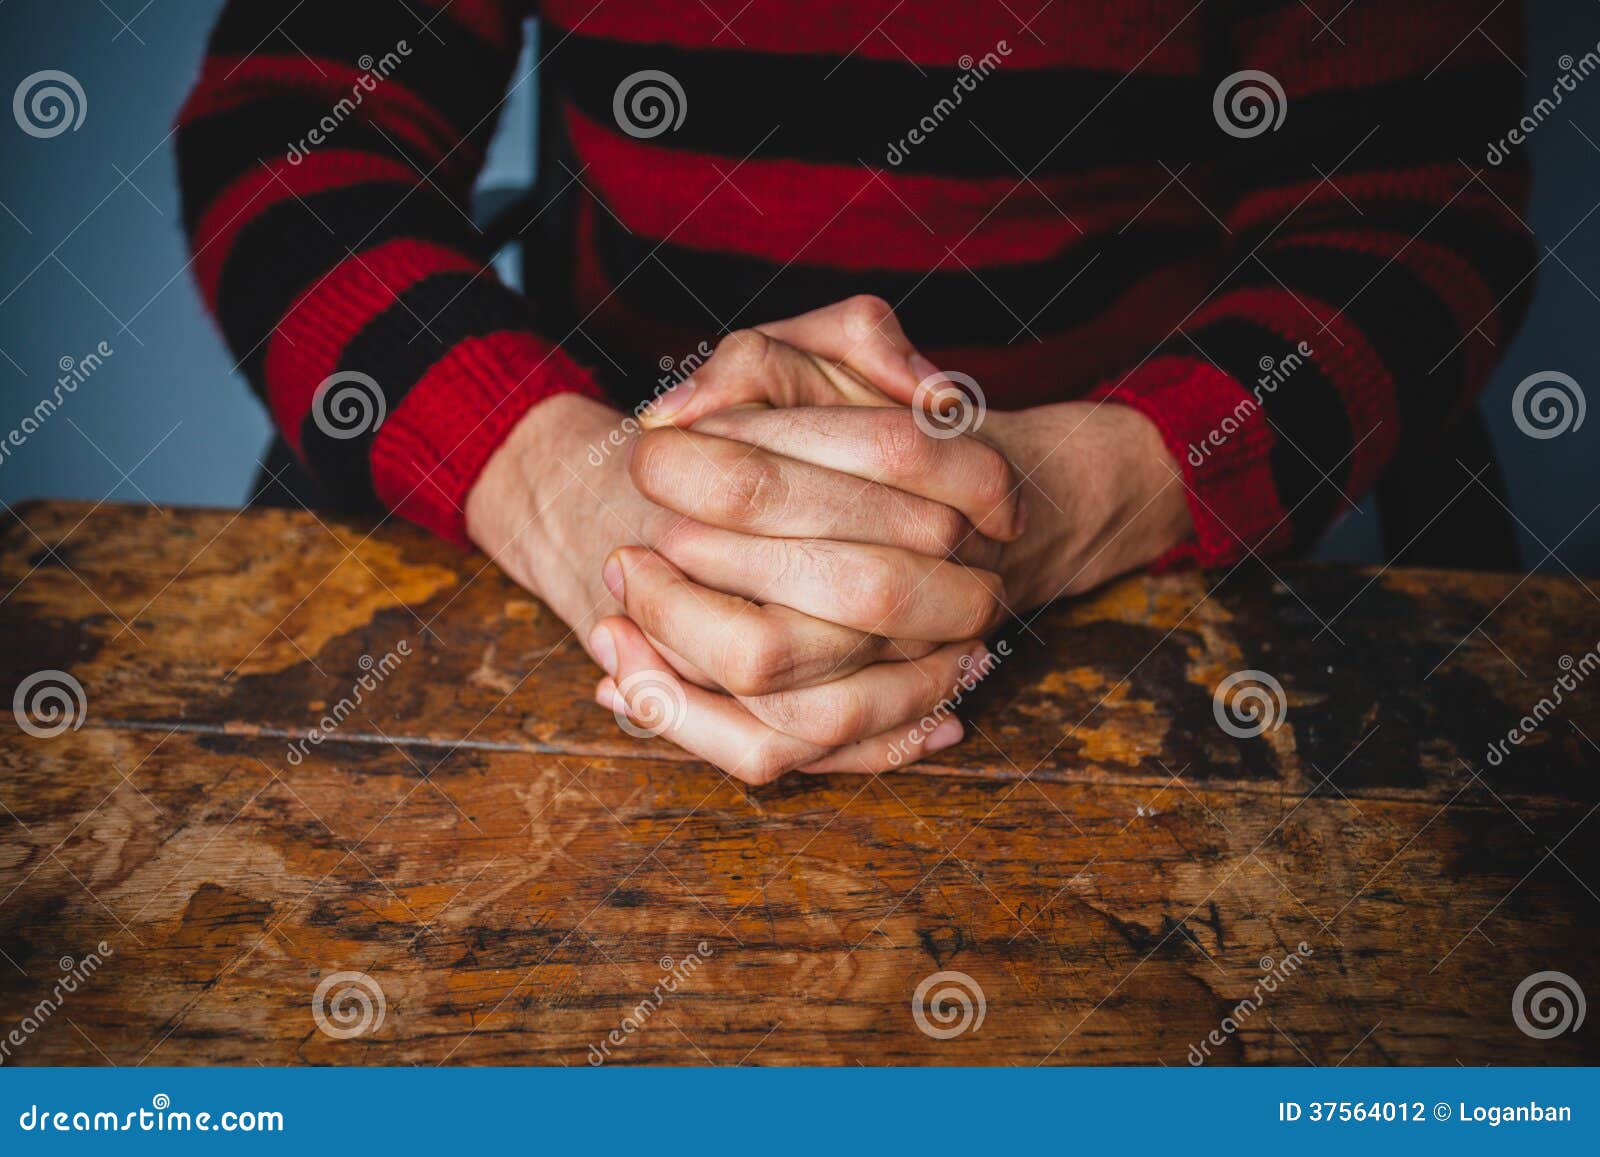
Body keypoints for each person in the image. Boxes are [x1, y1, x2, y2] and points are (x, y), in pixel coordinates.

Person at [176, 1, 1533, 783]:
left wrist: (1057, 494)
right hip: (605, 525)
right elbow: (295, 124)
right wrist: (565, 483)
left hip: (1140, 556)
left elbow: (1422, 206)